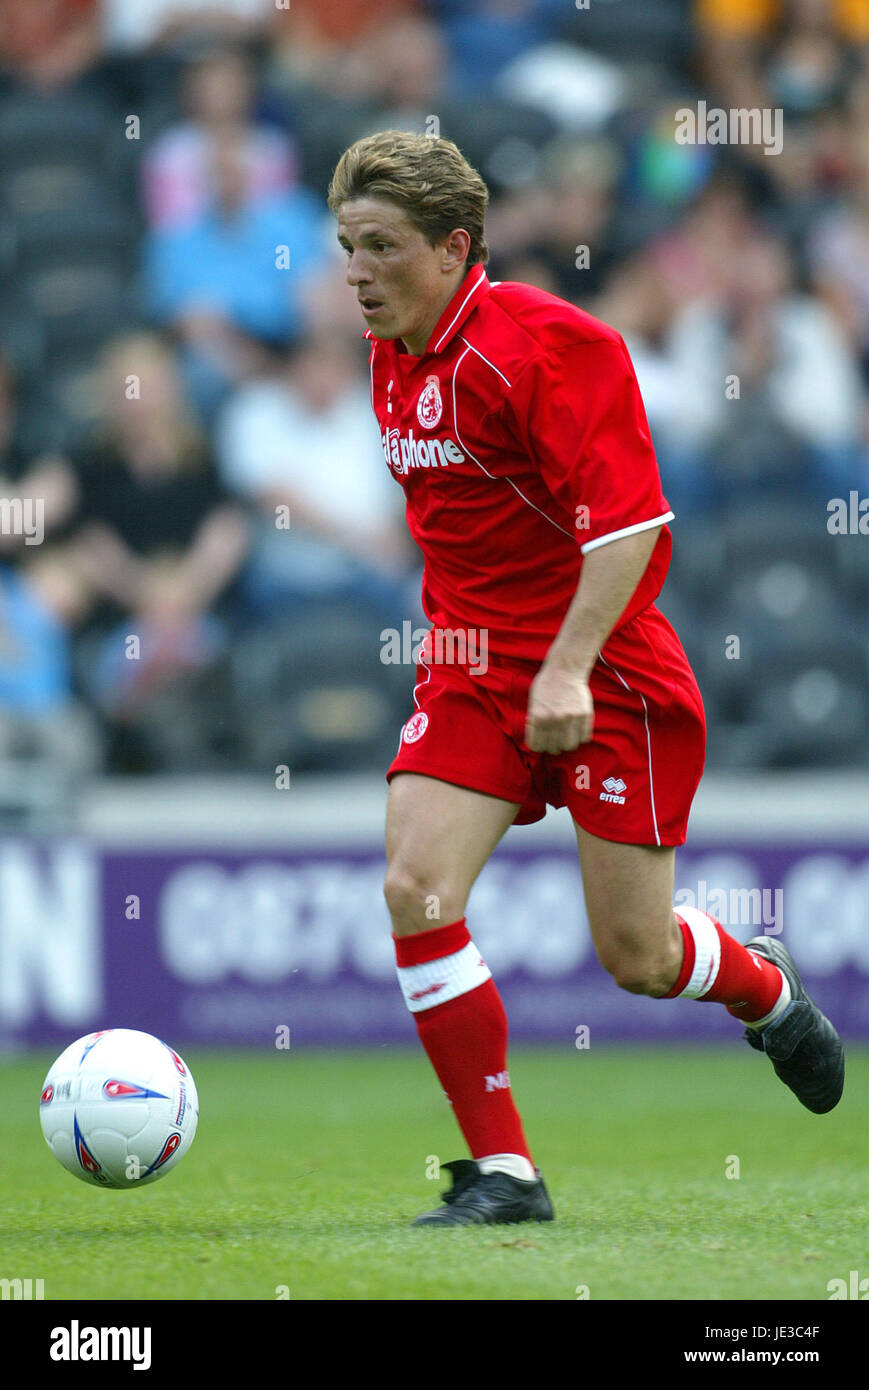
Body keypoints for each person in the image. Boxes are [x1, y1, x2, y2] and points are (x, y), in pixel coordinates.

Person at [327, 130, 845, 1228]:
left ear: (454, 246)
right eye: (344, 247)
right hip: (469, 663)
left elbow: (629, 530)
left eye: (379, 247)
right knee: (414, 887)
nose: (355, 273)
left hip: (601, 667)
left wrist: (562, 668)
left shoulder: (550, 345)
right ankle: (504, 1174)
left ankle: (758, 985)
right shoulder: (387, 349)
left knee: (637, 956)